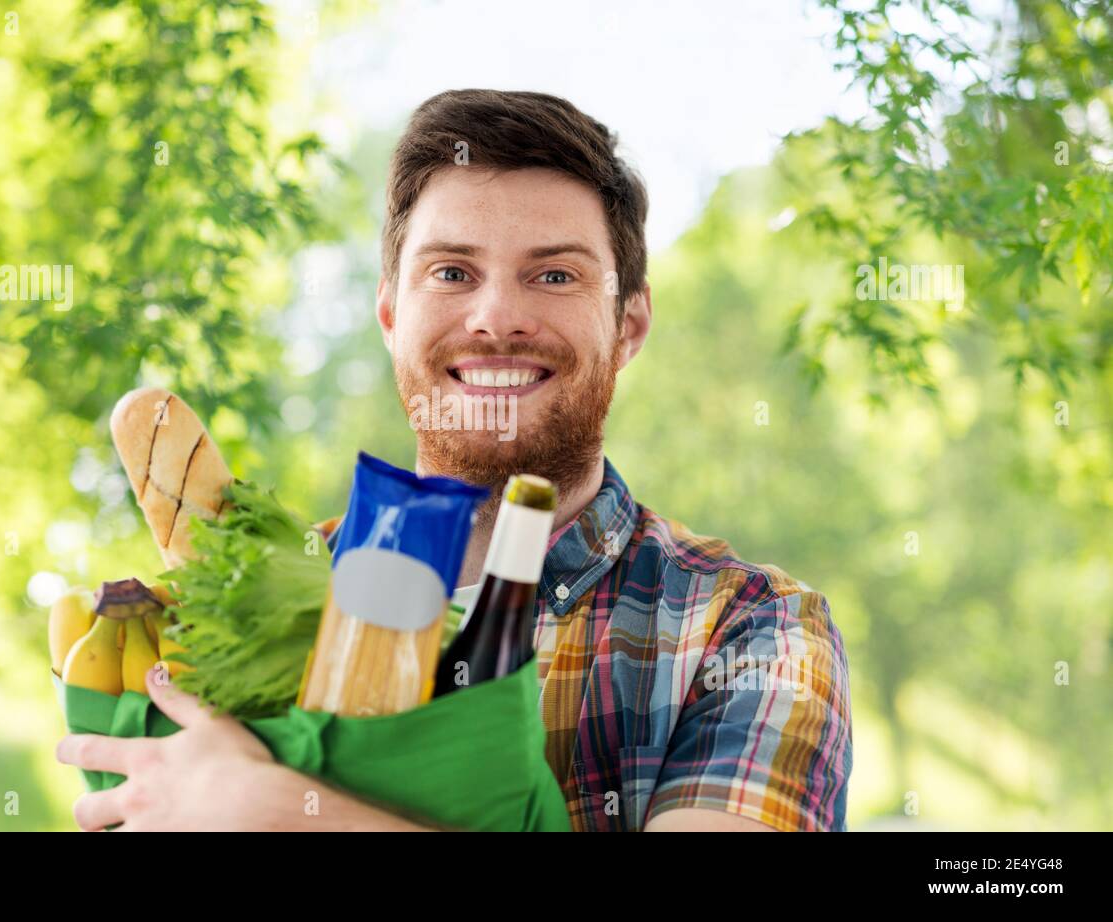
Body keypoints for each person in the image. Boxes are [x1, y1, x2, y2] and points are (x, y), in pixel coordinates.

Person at [58, 89, 853, 832]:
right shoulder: (214, 621)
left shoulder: (747, 630)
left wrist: (283, 811)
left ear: (629, 325)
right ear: (390, 314)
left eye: (554, 274)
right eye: (451, 272)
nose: (497, 318)